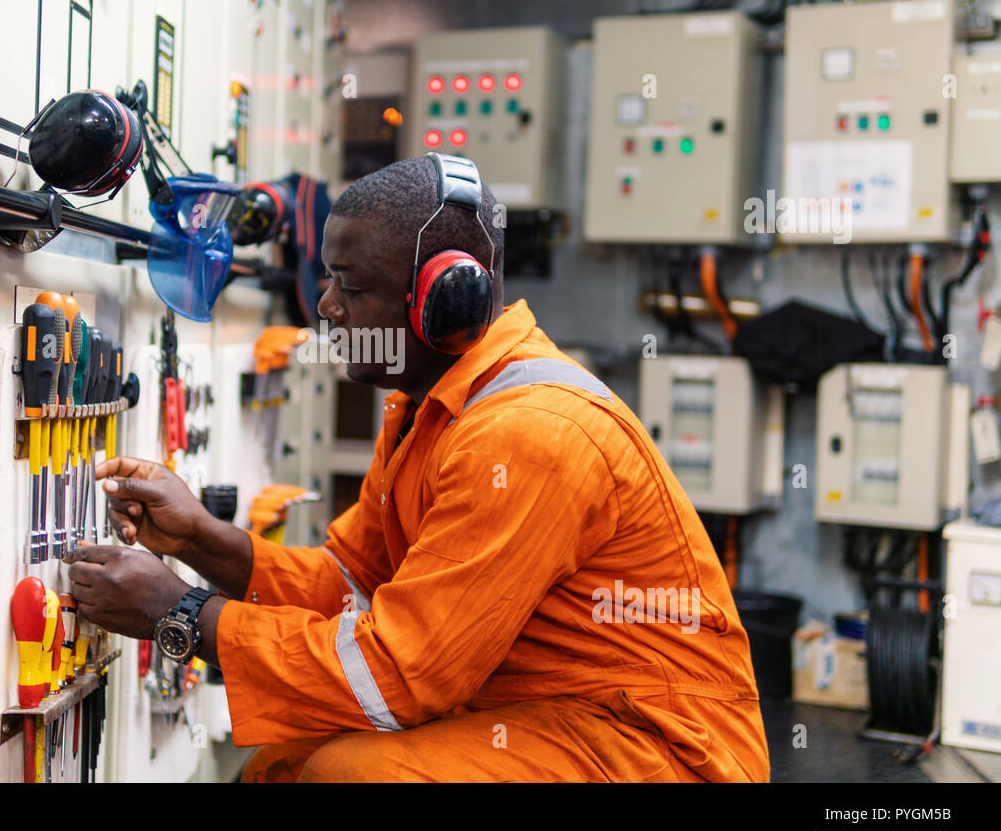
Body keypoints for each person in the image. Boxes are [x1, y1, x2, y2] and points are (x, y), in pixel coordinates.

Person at [68, 155, 771, 782]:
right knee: (284, 765)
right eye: (328, 277)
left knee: (351, 776)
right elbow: (354, 585)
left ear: (443, 303)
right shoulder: (430, 409)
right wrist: (198, 538)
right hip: (549, 715)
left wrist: (180, 613)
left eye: (352, 284)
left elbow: (398, 675)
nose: (326, 306)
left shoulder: (528, 435)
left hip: (660, 749)